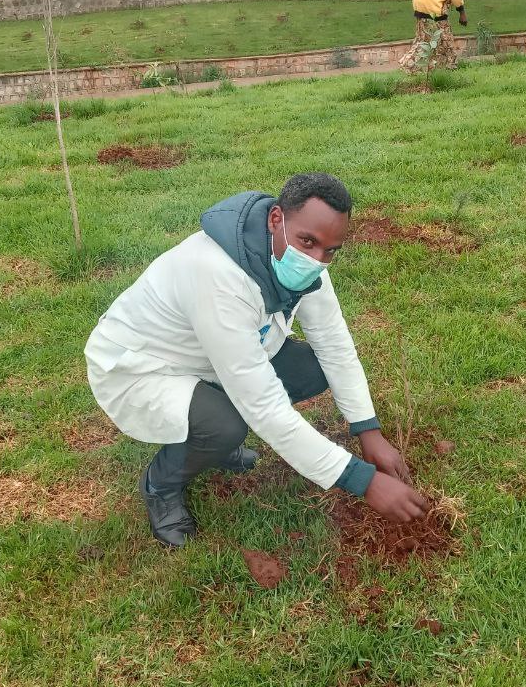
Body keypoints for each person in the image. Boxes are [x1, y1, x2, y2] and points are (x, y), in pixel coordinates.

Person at [85, 174, 432, 549]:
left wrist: (368, 431)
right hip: (143, 367)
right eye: (308, 242)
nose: (317, 259)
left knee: (313, 368)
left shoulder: (307, 264)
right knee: (226, 425)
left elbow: (334, 343)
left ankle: (211, 436)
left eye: (331, 250)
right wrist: (361, 480)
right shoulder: (215, 274)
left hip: (213, 356)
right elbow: (263, 405)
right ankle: (161, 484)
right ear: (275, 219)